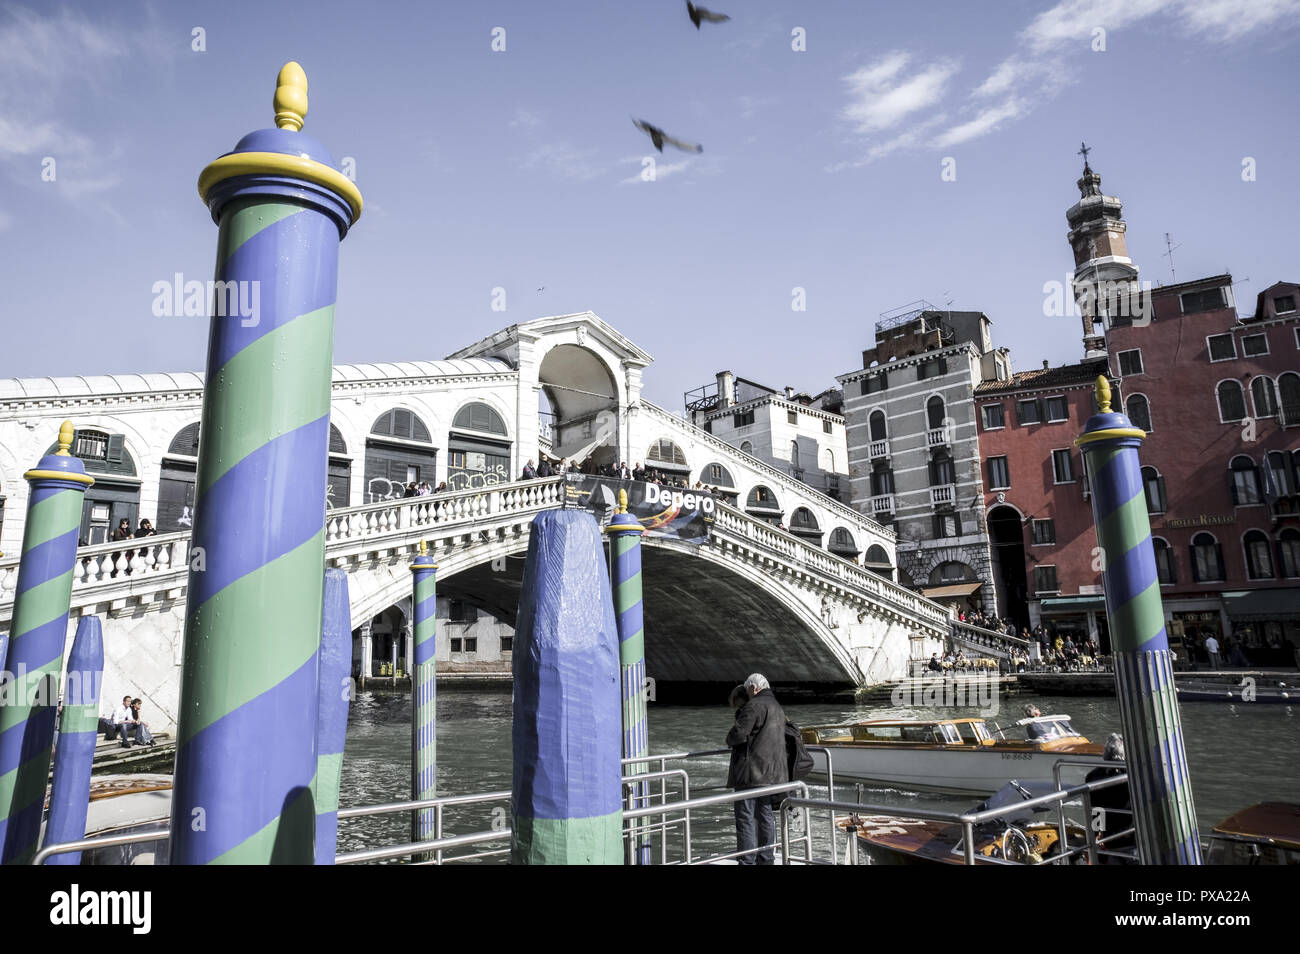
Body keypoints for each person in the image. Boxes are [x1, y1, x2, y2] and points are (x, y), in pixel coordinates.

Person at [725, 673, 788, 865]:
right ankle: (766, 858)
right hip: (772, 773)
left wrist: (728, 738)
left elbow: (737, 735)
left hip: (750, 773)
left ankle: (747, 860)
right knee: (766, 816)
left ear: (753, 688)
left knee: (745, 818)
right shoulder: (777, 707)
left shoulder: (754, 706)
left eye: (747, 690)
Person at [1085, 733, 1134, 863]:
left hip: (1109, 838)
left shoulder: (1093, 776)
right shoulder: (1133, 775)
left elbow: (1096, 811)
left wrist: (1096, 837)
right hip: (1131, 836)